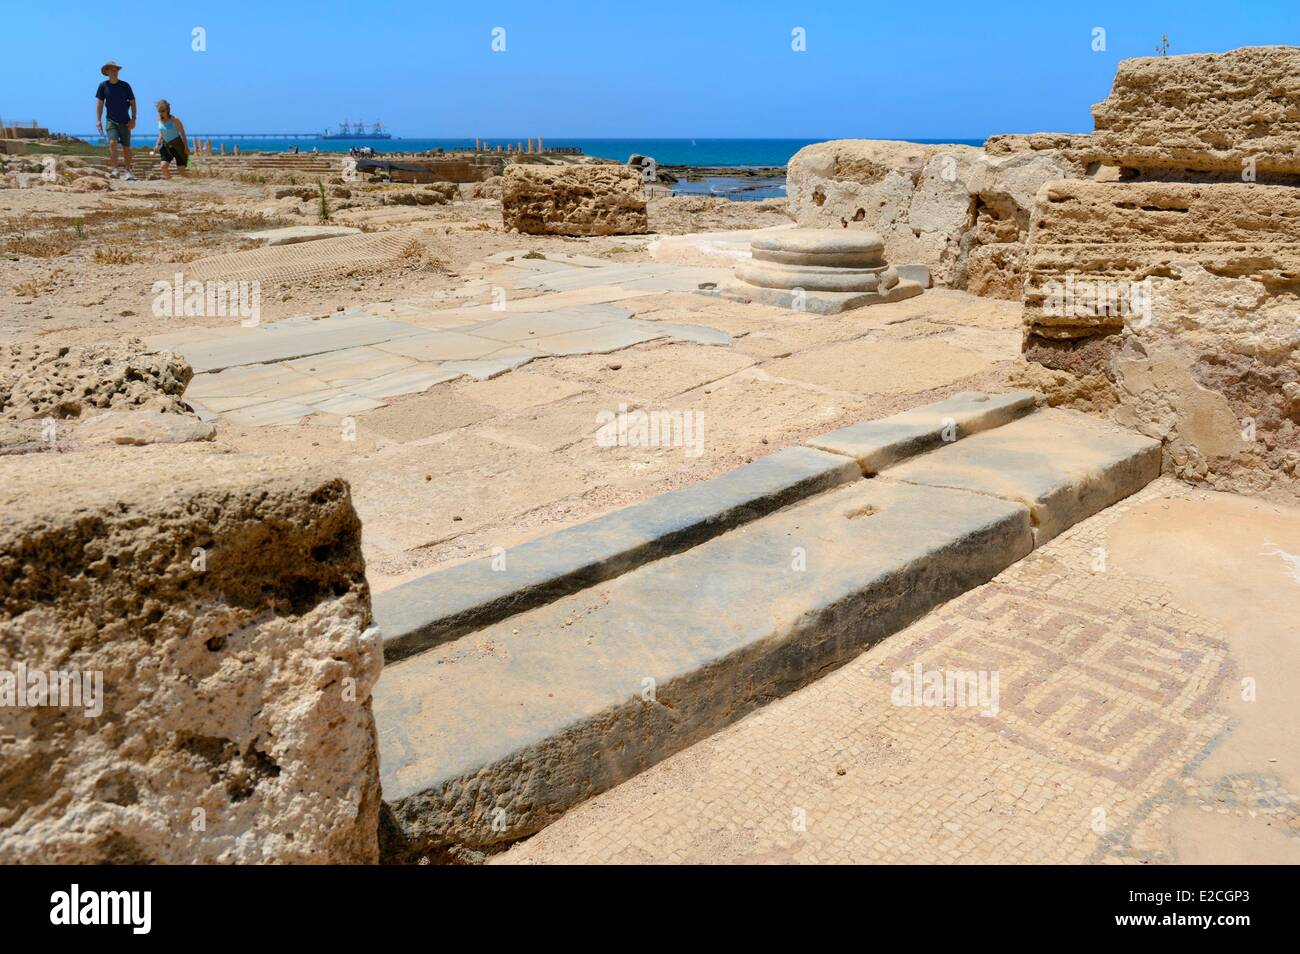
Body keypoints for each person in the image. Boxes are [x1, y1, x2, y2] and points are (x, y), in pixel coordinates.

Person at [95, 60, 137, 180]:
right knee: (112, 143)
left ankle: (128, 171)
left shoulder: (125, 86)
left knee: (126, 147)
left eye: (116, 69)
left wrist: (133, 119)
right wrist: (98, 120)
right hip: (111, 120)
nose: (115, 71)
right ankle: (115, 170)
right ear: (107, 71)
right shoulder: (103, 86)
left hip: (125, 121)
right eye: (112, 69)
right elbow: (100, 104)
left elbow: (133, 103)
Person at [152, 100, 189, 179]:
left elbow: (182, 134)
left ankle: (192, 182)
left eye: (163, 111)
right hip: (166, 146)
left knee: (181, 170)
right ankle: (170, 182)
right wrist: (157, 144)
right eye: (159, 111)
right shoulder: (159, 120)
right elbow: (162, 133)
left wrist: (186, 147)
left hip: (178, 146)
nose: (161, 113)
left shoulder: (175, 119)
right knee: (163, 166)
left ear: (167, 110)